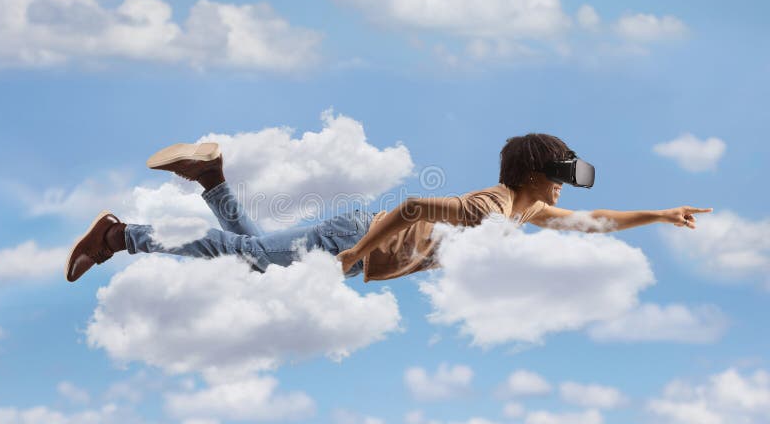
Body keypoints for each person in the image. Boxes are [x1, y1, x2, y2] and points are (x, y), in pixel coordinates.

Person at [65, 134, 711, 283]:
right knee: (246, 257)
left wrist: (658, 216)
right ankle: (122, 237)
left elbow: (596, 224)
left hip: (358, 239)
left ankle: (211, 178)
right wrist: (358, 251)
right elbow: (414, 205)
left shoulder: (526, 211)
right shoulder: (491, 208)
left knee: (254, 259)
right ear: (534, 176)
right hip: (355, 238)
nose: (566, 193)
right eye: (562, 179)